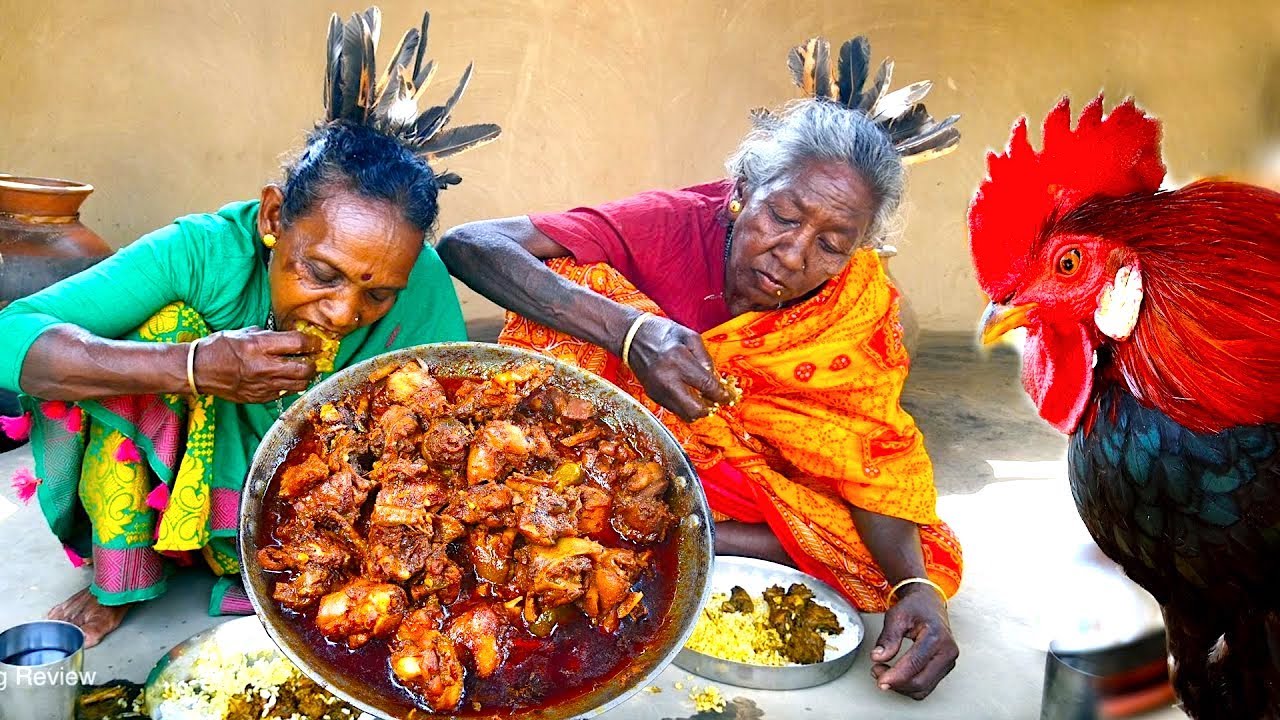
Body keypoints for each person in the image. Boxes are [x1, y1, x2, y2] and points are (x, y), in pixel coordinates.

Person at [439, 35, 963, 699]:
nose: (795, 253)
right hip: (617, 447)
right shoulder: (673, 223)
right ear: (744, 190)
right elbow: (470, 244)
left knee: (889, 550)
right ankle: (628, 512)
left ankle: (688, 530)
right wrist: (632, 334)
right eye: (782, 214)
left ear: (860, 248)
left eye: (832, 243)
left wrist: (915, 590)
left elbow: (865, 455)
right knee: (573, 287)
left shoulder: (856, 302)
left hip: (746, 477)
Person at [0, 7, 498, 647]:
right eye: (321, 272)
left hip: (334, 509)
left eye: (377, 294)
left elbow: (453, 426)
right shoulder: (204, 251)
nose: (344, 313)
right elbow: (12, 333)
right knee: (155, 329)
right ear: (271, 219)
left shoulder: (419, 280)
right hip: (175, 503)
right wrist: (193, 367)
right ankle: (123, 570)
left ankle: (296, 565)